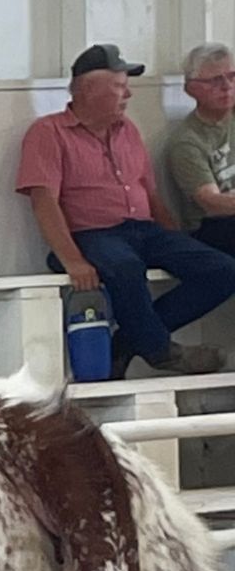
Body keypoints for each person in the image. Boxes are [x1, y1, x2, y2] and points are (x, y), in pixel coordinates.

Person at [17, 42, 235, 378]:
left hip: (143, 230)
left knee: (222, 270)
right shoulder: (48, 132)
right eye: (120, 86)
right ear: (88, 89)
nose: (128, 94)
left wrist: (176, 240)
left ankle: (128, 343)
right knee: (124, 266)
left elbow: (150, 192)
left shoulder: (128, 130)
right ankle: (160, 351)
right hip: (92, 233)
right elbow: (43, 201)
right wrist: (72, 260)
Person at [166, 43, 235, 263]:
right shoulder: (187, 141)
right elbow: (212, 202)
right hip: (212, 227)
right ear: (191, 89)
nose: (227, 86)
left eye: (232, 76)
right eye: (215, 80)